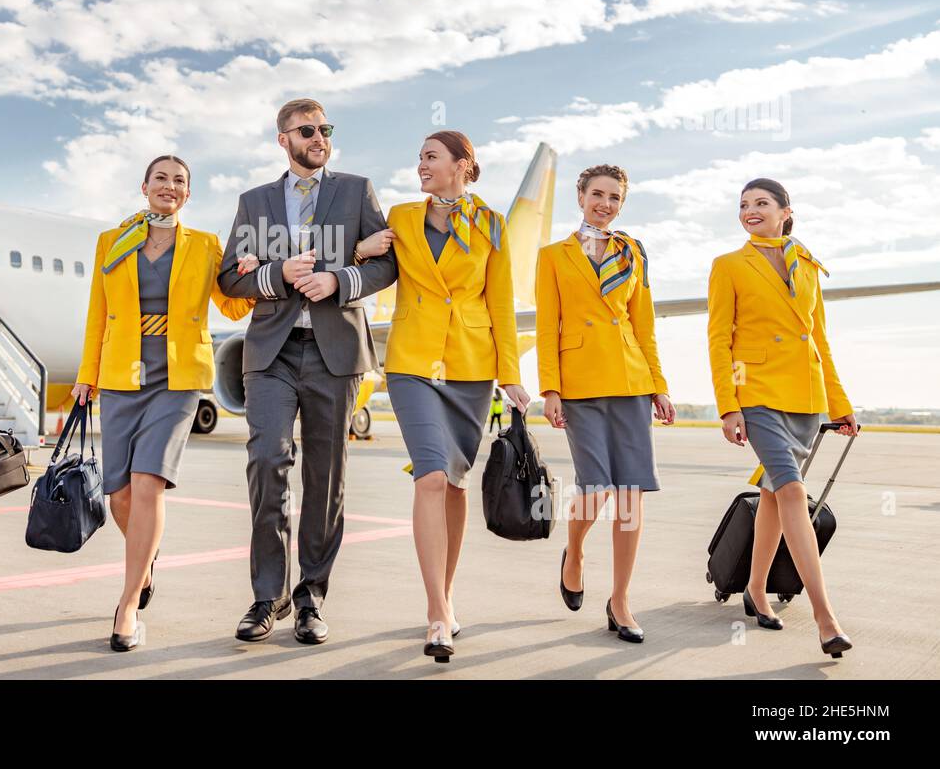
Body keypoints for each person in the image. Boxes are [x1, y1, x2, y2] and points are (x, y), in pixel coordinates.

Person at [218, 98, 398, 645]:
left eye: (325, 129)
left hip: (334, 353)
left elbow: (389, 260)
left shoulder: (357, 189)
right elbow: (230, 278)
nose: (319, 137)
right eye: (307, 130)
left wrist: (340, 280)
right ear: (283, 139)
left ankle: (311, 598)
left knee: (325, 477)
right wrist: (273, 273)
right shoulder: (255, 202)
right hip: (271, 353)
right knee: (268, 459)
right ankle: (266, 595)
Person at [354, 130, 529, 662]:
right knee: (430, 475)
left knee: (453, 484)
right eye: (420, 157)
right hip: (411, 363)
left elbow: (500, 305)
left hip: (470, 369)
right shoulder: (403, 217)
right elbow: (372, 266)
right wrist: (361, 249)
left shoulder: (493, 225)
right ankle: (436, 613)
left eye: (431, 157)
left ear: (462, 166)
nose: (421, 165)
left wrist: (510, 372)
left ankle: (447, 599)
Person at [73, 156, 254, 651]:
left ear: (188, 195)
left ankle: (127, 603)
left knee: (149, 481)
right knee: (120, 494)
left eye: (179, 182)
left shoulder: (204, 245)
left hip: (177, 378)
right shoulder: (113, 241)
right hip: (121, 375)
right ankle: (146, 560)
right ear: (144, 186)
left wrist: (252, 276)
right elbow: (98, 313)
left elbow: (232, 305)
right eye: (161, 179)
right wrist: (87, 376)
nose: (169, 187)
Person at [707, 177, 855, 658]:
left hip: (806, 397)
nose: (750, 210)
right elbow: (718, 339)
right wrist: (729, 405)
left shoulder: (808, 266)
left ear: (785, 211)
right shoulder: (728, 265)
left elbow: (820, 340)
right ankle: (825, 617)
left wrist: (840, 403)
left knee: (773, 496)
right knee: (792, 491)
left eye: (761, 203)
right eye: (744, 204)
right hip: (758, 393)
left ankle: (755, 587)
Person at [535, 164, 674, 644]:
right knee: (594, 490)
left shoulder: (632, 252)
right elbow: (547, 326)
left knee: (631, 496)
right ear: (580, 196)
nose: (606, 204)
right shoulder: (554, 256)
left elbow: (644, 325)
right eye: (598, 194)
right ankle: (573, 552)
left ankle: (620, 601)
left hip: (631, 381)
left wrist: (659, 384)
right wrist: (549, 388)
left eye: (615, 198)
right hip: (580, 385)